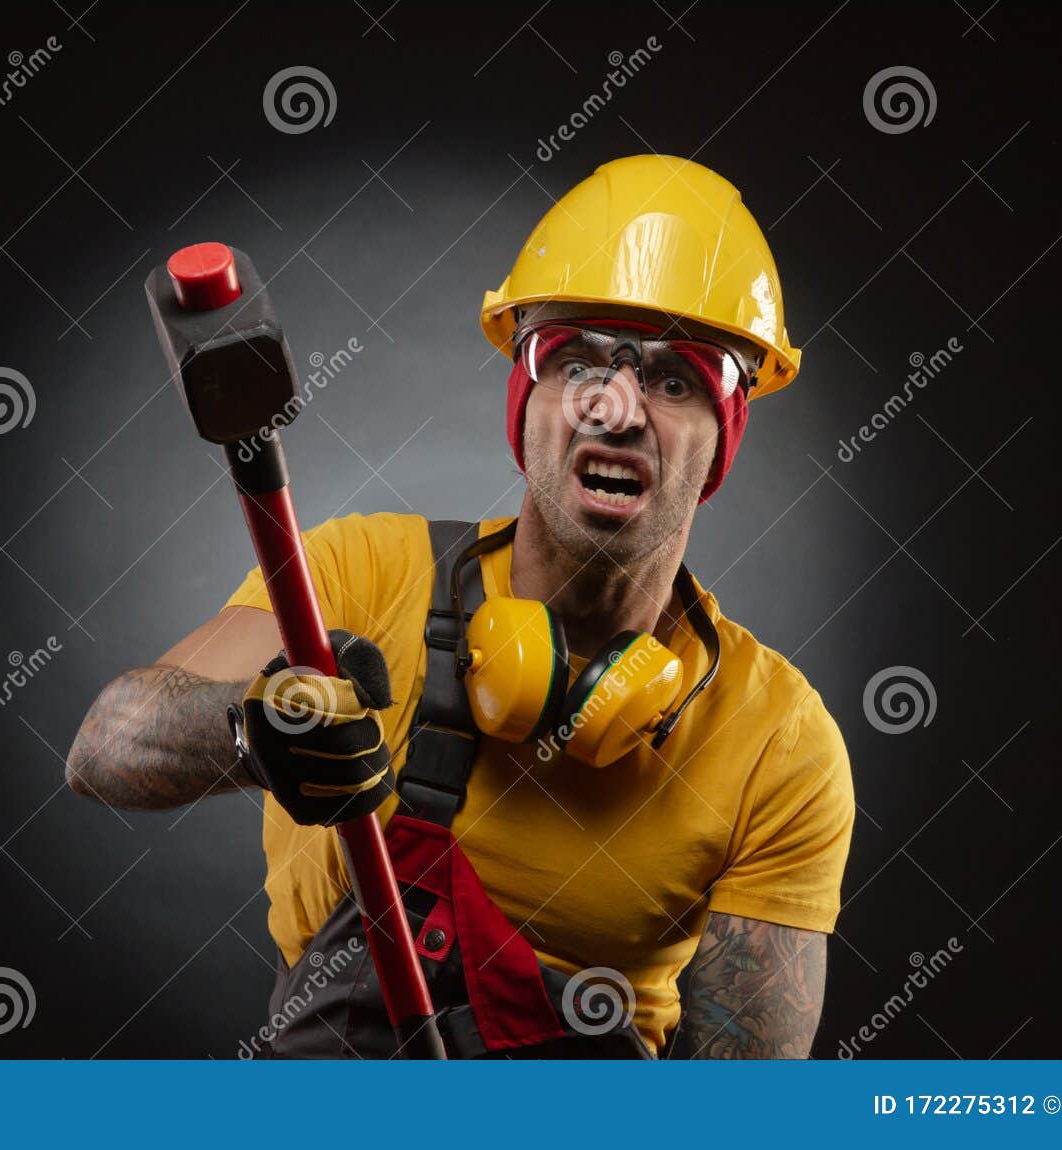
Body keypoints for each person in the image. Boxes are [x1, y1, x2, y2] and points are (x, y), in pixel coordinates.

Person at [65, 154, 855, 1059]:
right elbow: (106, 746)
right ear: (522, 404)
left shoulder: (778, 744)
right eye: (578, 363)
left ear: (725, 439)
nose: (618, 409)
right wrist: (255, 733)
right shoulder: (360, 571)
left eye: (677, 380)